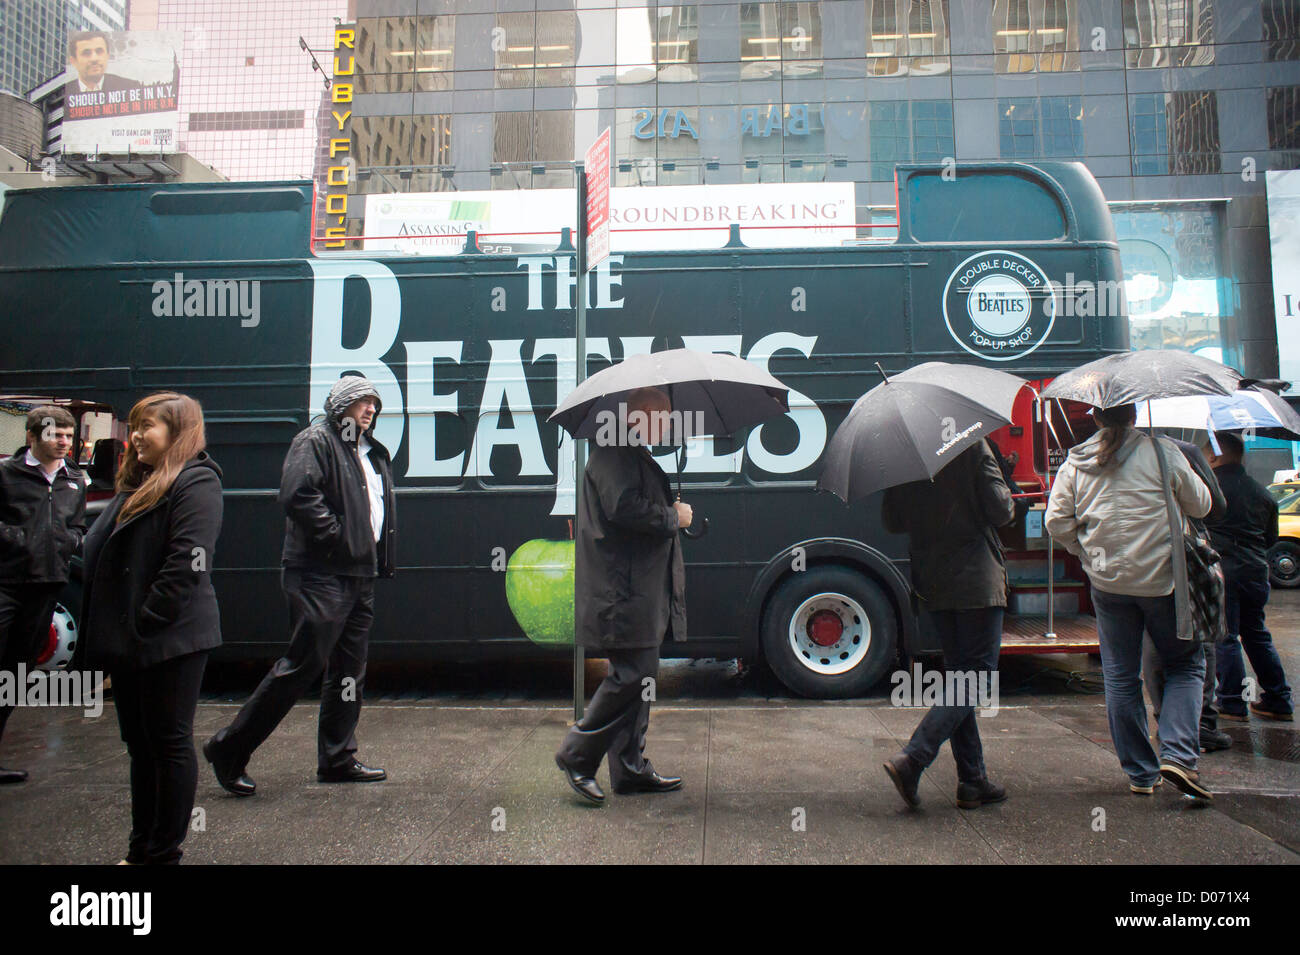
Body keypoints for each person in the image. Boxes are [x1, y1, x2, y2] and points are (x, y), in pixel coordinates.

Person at [203, 376, 395, 795]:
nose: (370, 410)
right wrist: (339, 538)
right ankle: (229, 748)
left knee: (349, 672)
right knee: (301, 667)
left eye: (374, 404)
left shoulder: (368, 451)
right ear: (341, 404)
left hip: (360, 575)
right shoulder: (315, 440)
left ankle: (338, 759)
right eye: (362, 402)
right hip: (321, 572)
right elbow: (298, 494)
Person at [80, 393, 223, 864]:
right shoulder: (140, 482)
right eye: (134, 426)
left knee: (168, 743)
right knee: (140, 748)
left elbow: (188, 563)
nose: (136, 435)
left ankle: (162, 854)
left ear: (178, 432)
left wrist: (145, 623)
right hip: (133, 642)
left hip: (168, 640)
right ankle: (140, 850)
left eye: (148, 426)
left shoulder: (196, 480)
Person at [1045, 404, 1212, 799]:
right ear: (1135, 417)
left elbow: (1056, 522)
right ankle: (1179, 756)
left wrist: (1083, 552)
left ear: (1097, 419)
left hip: (1107, 583)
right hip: (1163, 582)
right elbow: (1202, 505)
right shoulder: (1161, 451)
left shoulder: (1076, 461)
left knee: (1121, 677)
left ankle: (1141, 774)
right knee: (1186, 665)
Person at [555, 387, 687, 803]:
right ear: (638, 415)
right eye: (662, 416)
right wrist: (673, 516)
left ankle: (629, 769)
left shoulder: (630, 450)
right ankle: (577, 755)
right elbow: (623, 507)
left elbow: (631, 503)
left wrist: (668, 510)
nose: (666, 425)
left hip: (635, 588)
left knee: (641, 674)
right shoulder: (614, 451)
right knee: (633, 674)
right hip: (622, 592)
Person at [880, 438, 1015, 811]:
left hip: (934, 582)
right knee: (978, 678)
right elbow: (1001, 511)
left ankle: (972, 780)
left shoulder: (904, 454)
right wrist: (1002, 480)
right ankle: (914, 757)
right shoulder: (972, 445)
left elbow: (892, 521)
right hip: (976, 581)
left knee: (960, 678)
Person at [0, 406, 87, 783]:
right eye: (56, 435)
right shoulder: (6, 475)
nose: (64, 442)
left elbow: (78, 525)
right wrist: (17, 540)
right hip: (6, 583)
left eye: (68, 436)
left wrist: (70, 541)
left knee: (14, 674)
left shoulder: (75, 481)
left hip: (46, 586)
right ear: (32, 437)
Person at [1140, 437, 1232, 752]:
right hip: (1188, 554)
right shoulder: (1182, 451)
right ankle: (1201, 723)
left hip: (1139, 558)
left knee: (1152, 642)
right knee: (1198, 640)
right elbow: (1215, 507)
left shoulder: (1113, 453)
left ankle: (1165, 719)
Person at [1204, 432, 1293, 722]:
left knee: (1226, 636)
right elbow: (1271, 538)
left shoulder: (1210, 490)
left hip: (1224, 572)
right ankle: (1278, 699)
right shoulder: (1263, 493)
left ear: (1216, 456)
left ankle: (1232, 702)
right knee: (1256, 634)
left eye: (1206, 453)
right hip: (1256, 572)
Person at [65, 31, 135, 94]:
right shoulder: (66, 92)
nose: (94, 59)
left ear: (107, 56)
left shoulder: (129, 87)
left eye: (99, 51)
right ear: (73, 61)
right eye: (87, 53)